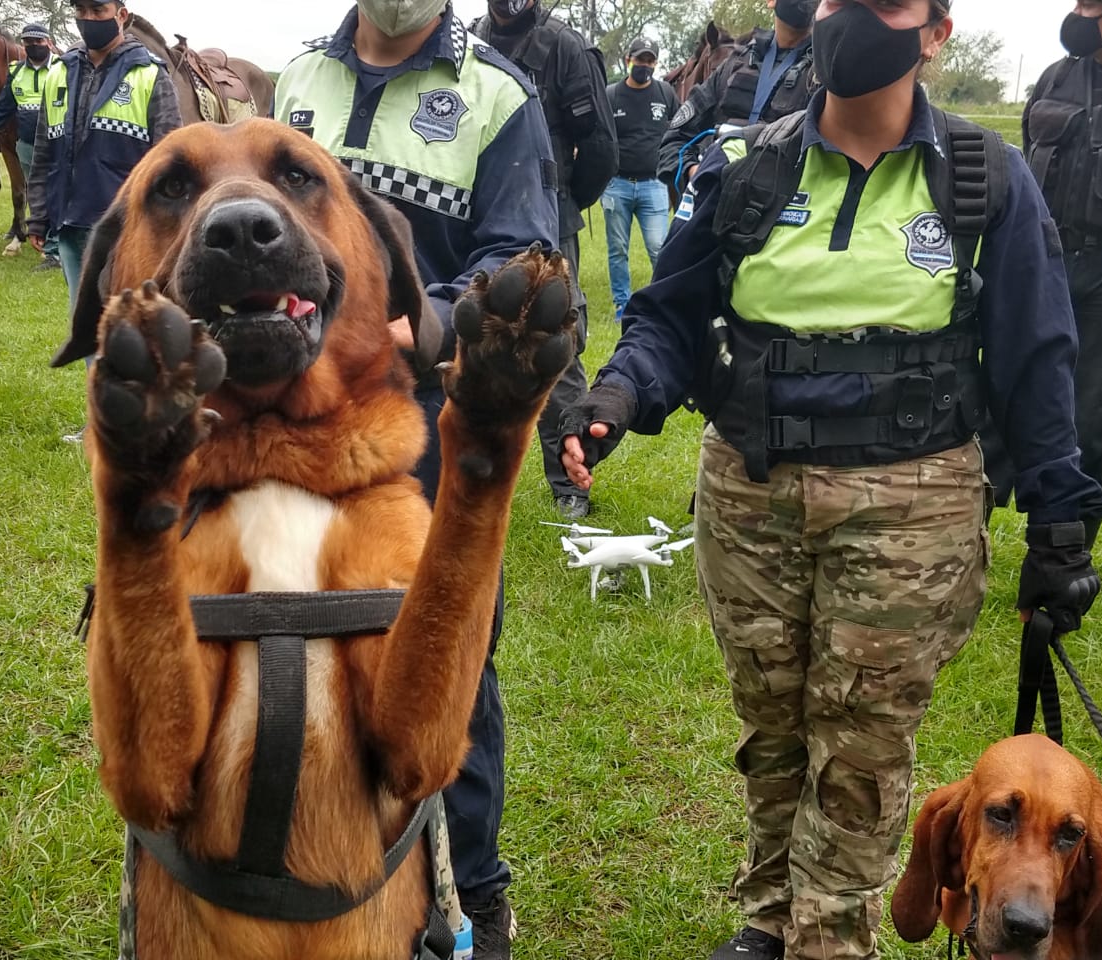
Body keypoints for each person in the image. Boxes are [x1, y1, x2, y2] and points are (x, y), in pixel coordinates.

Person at [557, 1, 1102, 958]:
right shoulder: (741, 167)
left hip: (911, 503)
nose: (852, 15)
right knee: (771, 730)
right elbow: (671, 315)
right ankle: (771, 919)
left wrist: (1061, 521)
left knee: (858, 744)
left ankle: (831, 938)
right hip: (750, 492)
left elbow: (1037, 357)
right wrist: (616, 397)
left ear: (935, 31)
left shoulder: (984, 178)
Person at [275, 4, 559, 958]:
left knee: (450, 665)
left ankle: (467, 892)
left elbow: (518, 267)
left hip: (430, 435)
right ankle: (308, 854)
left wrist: (413, 323)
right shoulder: (300, 80)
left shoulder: (496, 96)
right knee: (291, 643)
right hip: (297, 428)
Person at [989, 0, 1102, 550]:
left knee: (1095, 412)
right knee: (1003, 389)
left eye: (1092, 5)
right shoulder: (1055, 77)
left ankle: (1067, 551)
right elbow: (1023, 162)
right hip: (1049, 254)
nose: (1078, 14)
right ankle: (968, 529)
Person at [471, 0, 617, 520]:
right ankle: (471, 474)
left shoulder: (564, 47)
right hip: (480, 215)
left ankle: (570, 482)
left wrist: (563, 204)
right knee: (475, 340)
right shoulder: (469, 42)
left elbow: (599, 146)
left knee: (555, 350)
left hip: (550, 218)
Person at [26, 0, 179, 442]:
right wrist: (38, 216)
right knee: (91, 326)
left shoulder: (150, 74)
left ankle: (153, 417)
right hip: (72, 223)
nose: (89, 19)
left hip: (128, 230)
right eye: (81, 9)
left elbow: (169, 160)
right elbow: (43, 150)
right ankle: (103, 422)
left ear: (122, 14)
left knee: (139, 325)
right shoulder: (59, 71)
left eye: (98, 9)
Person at [658, 0, 817, 192]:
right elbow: (674, 140)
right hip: (714, 209)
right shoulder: (733, 65)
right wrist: (696, 173)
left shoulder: (828, 75)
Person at [602, 37, 678, 322]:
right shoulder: (611, 95)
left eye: (649, 60)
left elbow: (679, 129)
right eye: (639, 59)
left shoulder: (666, 94)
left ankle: (661, 302)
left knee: (659, 247)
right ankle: (622, 306)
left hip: (654, 184)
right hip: (617, 185)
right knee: (618, 250)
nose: (644, 65)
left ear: (655, 63)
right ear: (627, 59)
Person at [0, 21, 60, 271]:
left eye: (38, 41)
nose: (33, 46)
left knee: (56, 192)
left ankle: (55, 251)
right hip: (26, 144)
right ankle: (46, 244)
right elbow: (2, 109)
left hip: (57, 143)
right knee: (36, 195)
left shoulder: (63, 68)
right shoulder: (16, 73)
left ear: (48, 42)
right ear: (22, 45)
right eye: (28, 42)